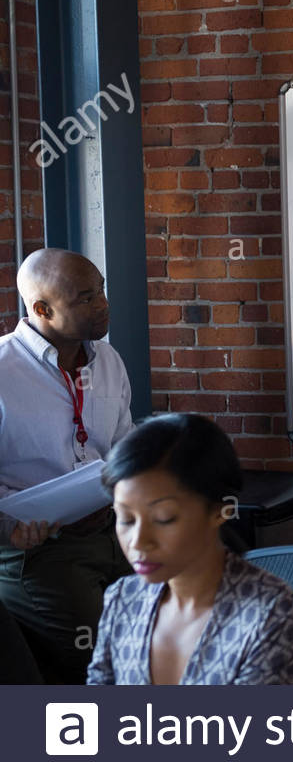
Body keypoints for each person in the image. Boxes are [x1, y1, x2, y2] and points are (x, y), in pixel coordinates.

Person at [88, 413, 293, 684]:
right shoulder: (122, 598)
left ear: (219, 511)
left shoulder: (269, 613)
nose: (137, 541)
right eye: (126, 519)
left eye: (164, 518)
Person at [0, 248, 134, 682]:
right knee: (95, 665)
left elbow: (121, 446)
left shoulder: (108, 361)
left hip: (113, 531)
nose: (103, 305)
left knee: (160, 640)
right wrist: (8, 526)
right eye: (86, 298)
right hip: (39, 550)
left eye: (102, 292)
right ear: (42, 309)